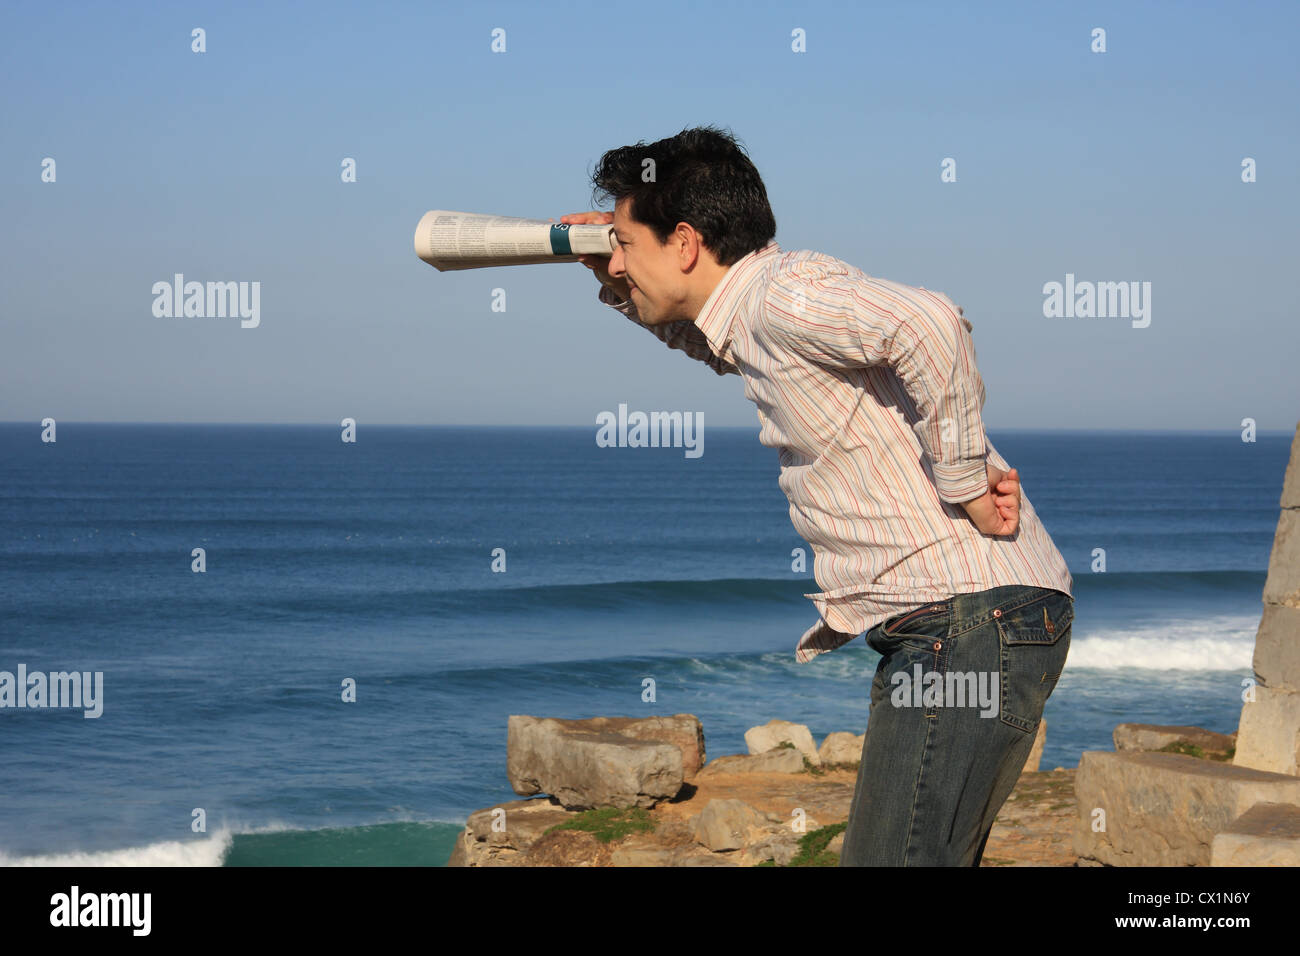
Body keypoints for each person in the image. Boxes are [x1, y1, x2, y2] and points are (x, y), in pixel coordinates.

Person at [560, 125, 1074, 866]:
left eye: (625, 244)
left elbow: (927, 323)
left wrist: (961, 479)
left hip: (964, 620)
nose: (616, 261)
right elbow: (706, 340)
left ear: (684, 242)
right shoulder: (754, 315)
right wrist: (609, 276)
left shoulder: (781, 297)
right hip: (970, 620)